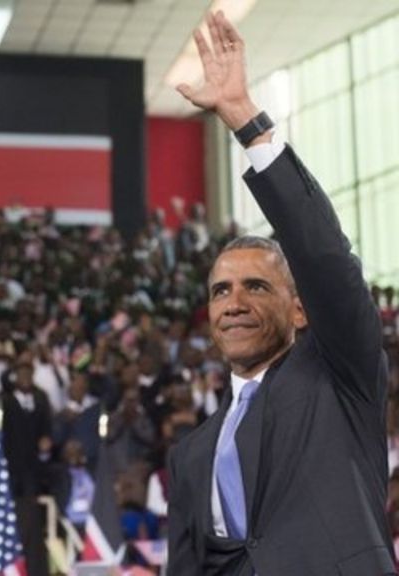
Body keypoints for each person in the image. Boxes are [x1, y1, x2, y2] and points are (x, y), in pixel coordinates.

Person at [167, 12, 393, 575]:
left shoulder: (341, 378)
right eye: (221, 290)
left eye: (256, 286)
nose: (234, 301)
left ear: (300, 308)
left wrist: (244, 118)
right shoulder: (192, 454)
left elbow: (321, 257)